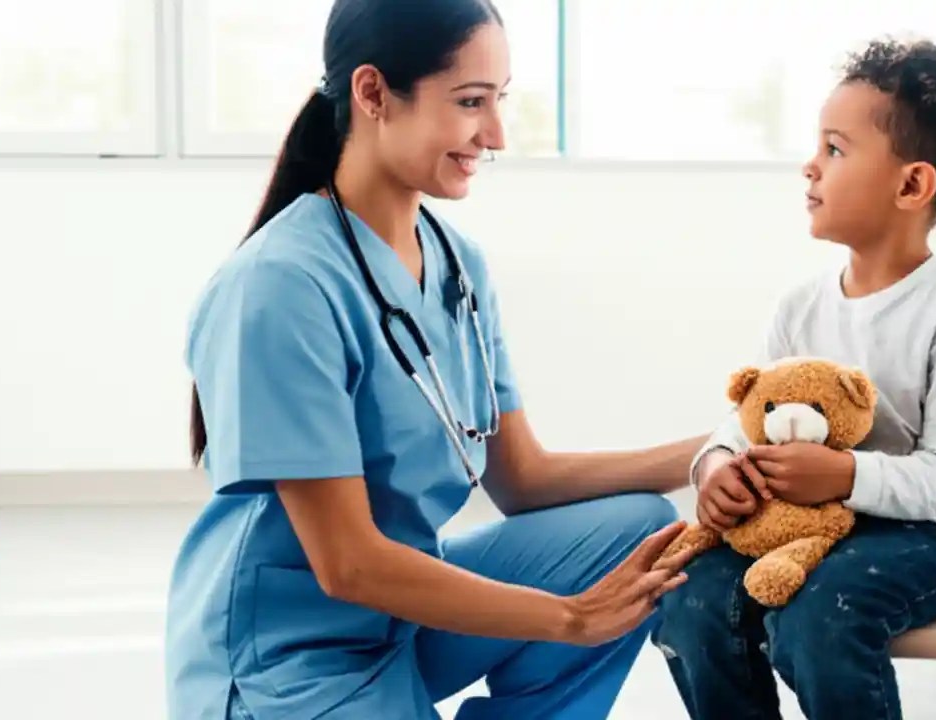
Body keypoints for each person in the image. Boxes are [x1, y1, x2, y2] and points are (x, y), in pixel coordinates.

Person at [164, 1, 707, 718]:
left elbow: (521, 477)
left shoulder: (458, 264)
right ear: (372, 94)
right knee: (595, 589)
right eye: (470, 102)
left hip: (402, 618)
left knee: (639, 532)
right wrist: (570, 617)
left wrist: (715, 448)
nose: (497, 134)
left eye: (500, 100)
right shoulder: (279, 288)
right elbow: (349, 563)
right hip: (291, 661)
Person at [652, 38, 936, 720]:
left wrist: (844, 476)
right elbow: (748, 419)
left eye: (834, 149)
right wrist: (717, 467)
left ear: (911, 184)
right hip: (818, 525)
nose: (809, 167)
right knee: (688, 597)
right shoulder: (800, 307)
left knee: (822, 615)